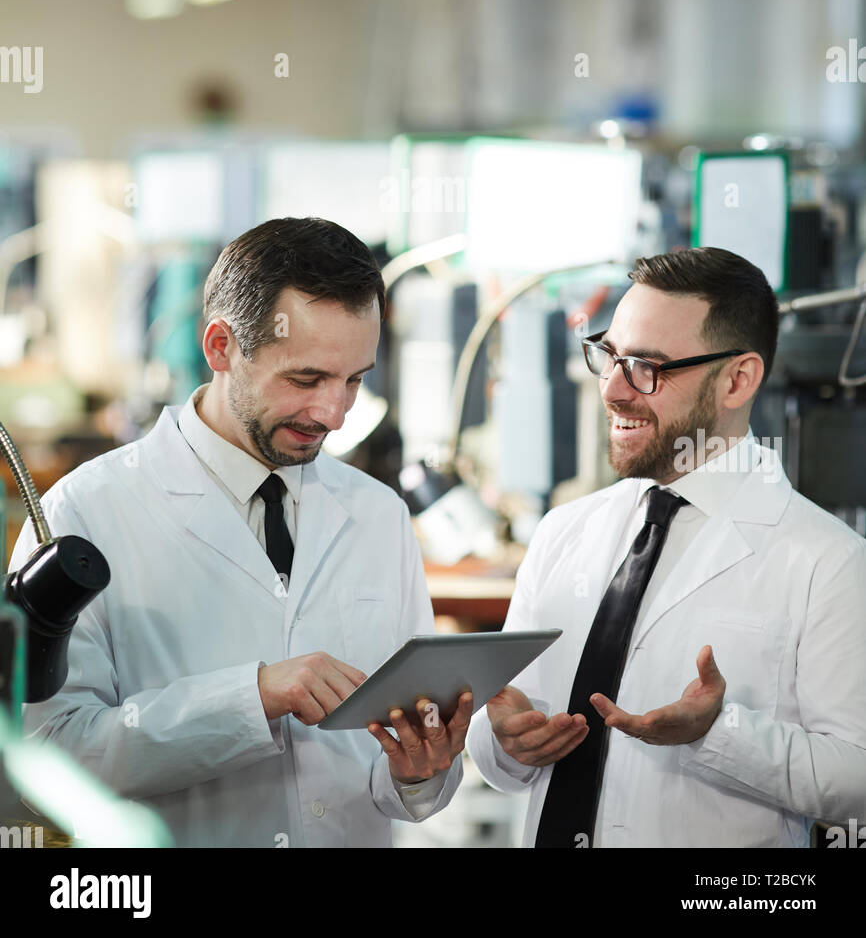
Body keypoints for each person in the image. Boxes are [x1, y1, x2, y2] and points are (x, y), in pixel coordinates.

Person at [9, 216, 469, 847]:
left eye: (354, 380)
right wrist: (249, 698)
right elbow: (43, 758)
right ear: (220, 346)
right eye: (305, 379)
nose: (332, 414)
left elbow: (398, 785)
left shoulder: (378, 515)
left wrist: (420, 771)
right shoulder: (85, 513)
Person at [466, 246, 866, 848]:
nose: (614, 391)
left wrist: (718, 733)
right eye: (610, 356)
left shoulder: (829, 561)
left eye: (647, 367)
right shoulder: (563, 532)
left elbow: (857, 777)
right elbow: (505, 748)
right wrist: (506, 740)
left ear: (738, 379)